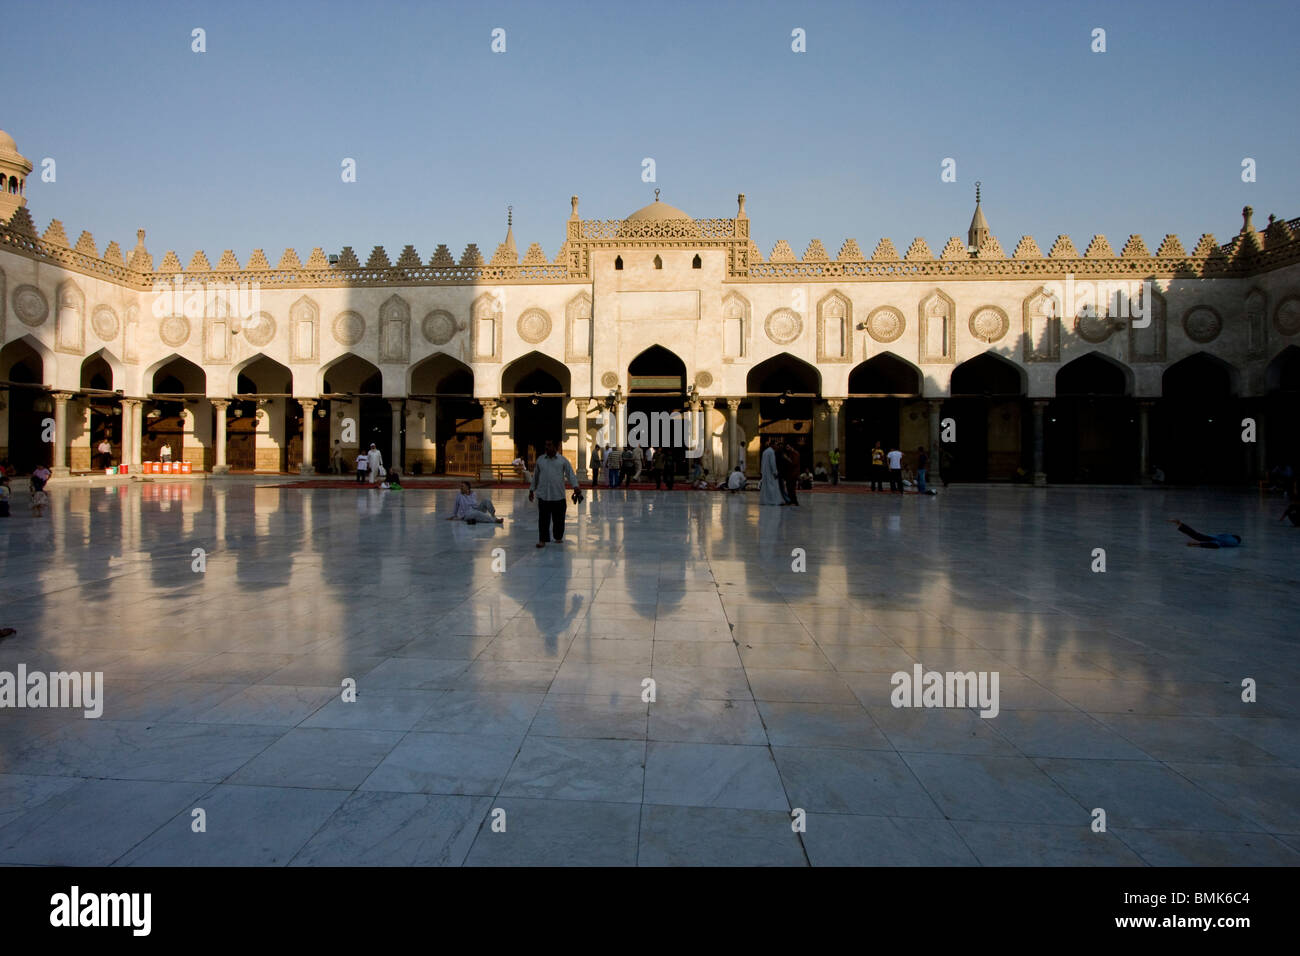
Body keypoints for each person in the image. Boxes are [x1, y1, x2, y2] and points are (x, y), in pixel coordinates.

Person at [530, 439, 580, 547]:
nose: (547, 447)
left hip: (558, 496)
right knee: (543, 520)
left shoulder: (562, 460)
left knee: (559, 520)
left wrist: (575, 486)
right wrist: (531, 490)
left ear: (555, 446)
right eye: (546, 445)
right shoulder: (541, 460)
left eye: (549, 445)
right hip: (544, 495)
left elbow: (570, 474)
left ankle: (558, 537)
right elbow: (536, 476)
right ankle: (542, 540)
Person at [1169, 518, 1241, 549]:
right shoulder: (1235, 542)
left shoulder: (1231, 538)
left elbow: (1221, 536)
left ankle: (1180, 524)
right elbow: (1220, 540)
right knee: (1197, 536)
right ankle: (1180, 524)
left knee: (1197, 535)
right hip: (1216, 540)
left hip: (1215, 539)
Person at [759, 438, 784, 506]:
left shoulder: (765, 451)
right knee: (773, 487)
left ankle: (766, 500)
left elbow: (762, 463)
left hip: (765, 473)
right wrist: (775, 472)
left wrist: (762, 472)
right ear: (772, 445)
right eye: (775, 444)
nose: (776, 446)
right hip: (770, 473)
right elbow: (772, 463)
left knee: (766, 487)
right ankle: (773, 500)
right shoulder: (771, 452)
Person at [780, 439, 800, 506]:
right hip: (789, 474)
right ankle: (790, 501)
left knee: (792, 488)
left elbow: (794, 463)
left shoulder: (795, 453)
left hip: (793, 474)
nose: (787, 449)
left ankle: (794, 501)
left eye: (788, 447)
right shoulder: (790, 453)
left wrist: (786, 458)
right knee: (789, 488)